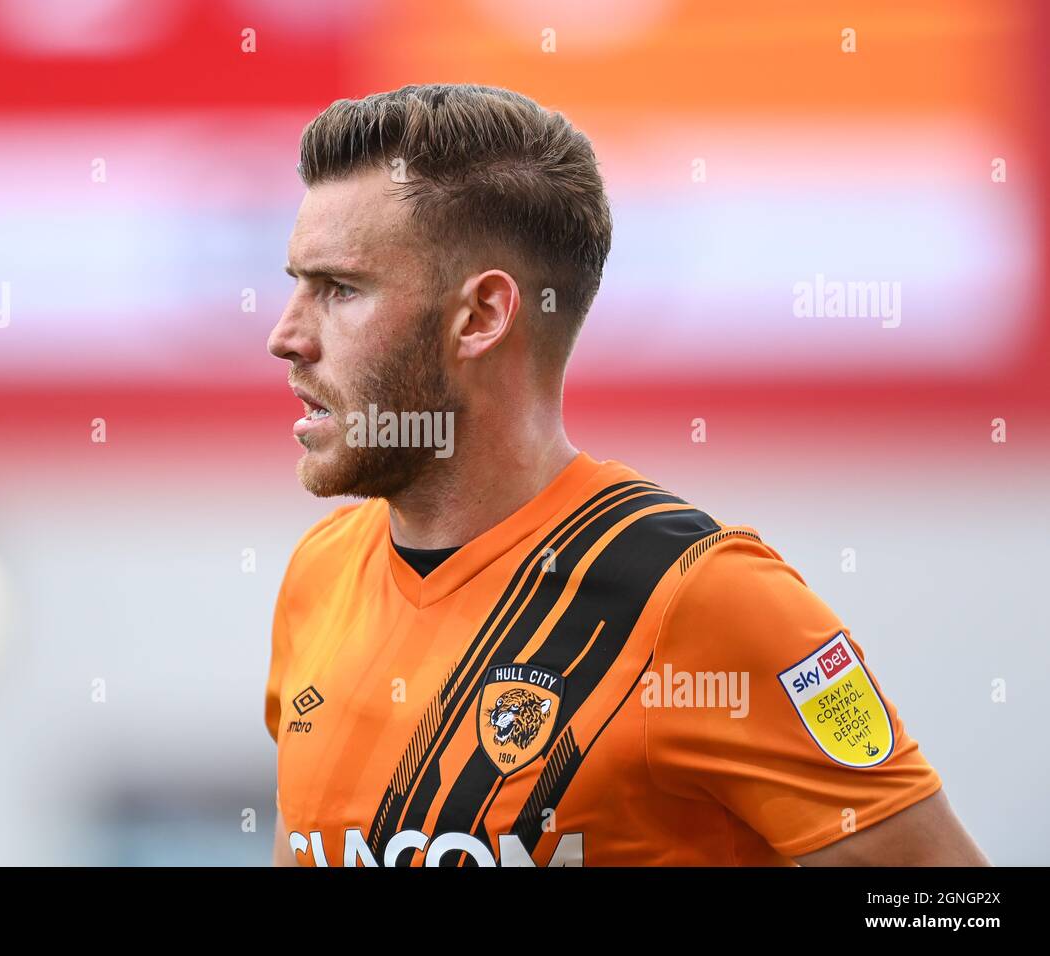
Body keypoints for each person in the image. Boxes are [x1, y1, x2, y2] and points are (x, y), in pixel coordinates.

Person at [263, 83, 987, 867]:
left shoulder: (699, 597)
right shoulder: (320, 572)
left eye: (339, 290)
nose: (285, 335)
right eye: (296, 283)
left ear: (481, 317)